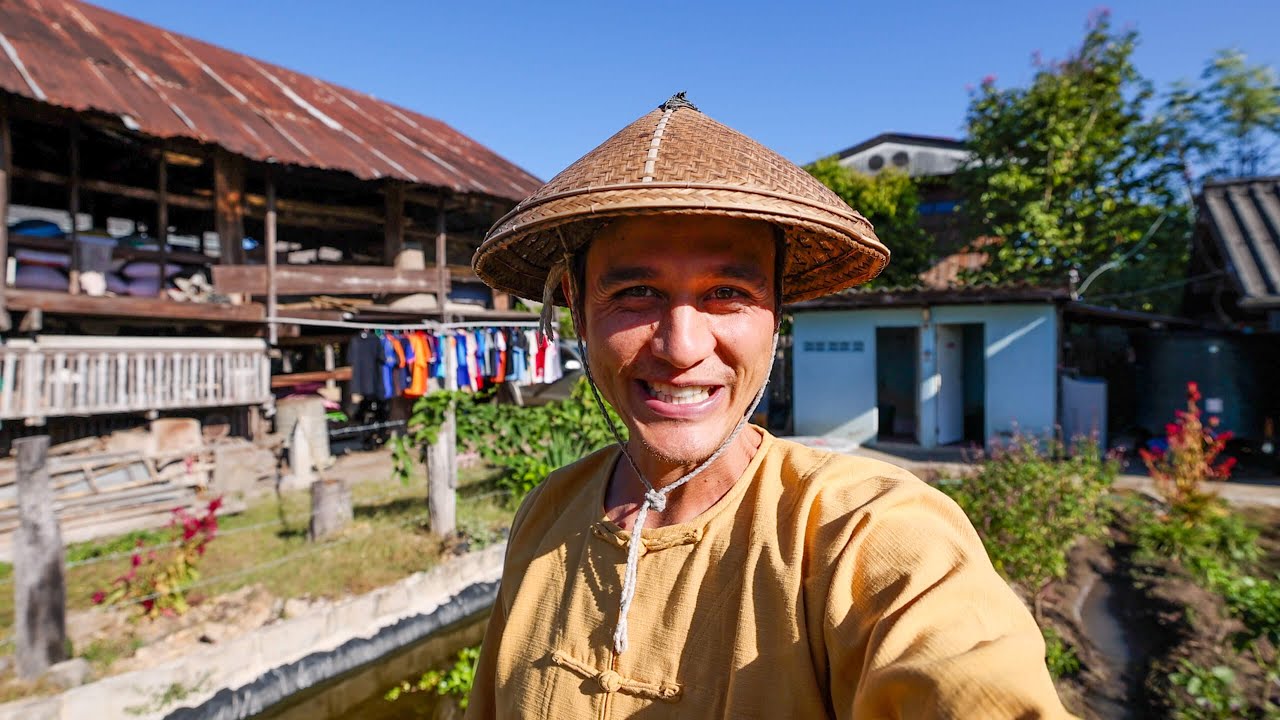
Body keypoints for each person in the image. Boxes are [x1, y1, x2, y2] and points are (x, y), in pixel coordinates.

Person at [466, 93, 1074, 719]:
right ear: (576, 308)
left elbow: (966, 678)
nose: (681, 348)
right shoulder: (547, 512)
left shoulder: (863, 531)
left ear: (777, 315)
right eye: (635, 292)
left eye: (727, 293)